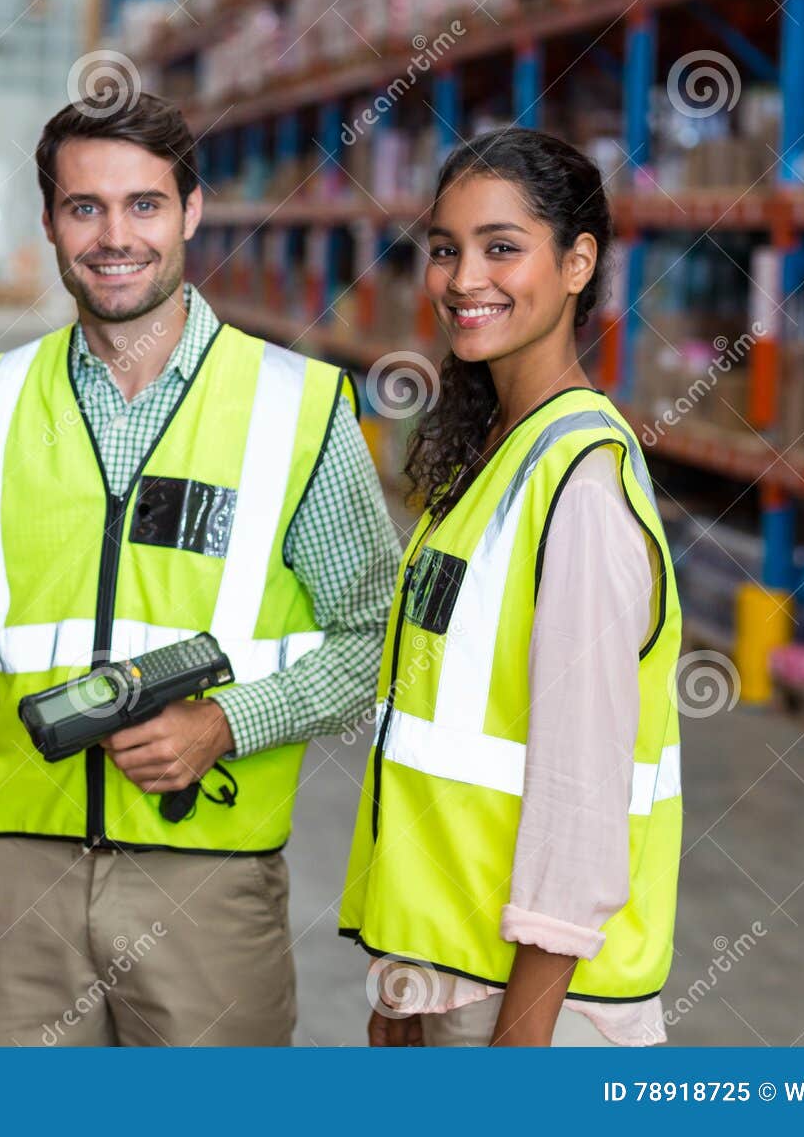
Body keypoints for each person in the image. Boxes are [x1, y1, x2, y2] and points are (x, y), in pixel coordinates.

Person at [0, 91, 399, 1046]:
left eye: (144, 205)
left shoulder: (296, 408)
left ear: (191, 211)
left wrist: (228, 721)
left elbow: (380, 640)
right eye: (86, 208)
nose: (116, 236)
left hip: (207, 874)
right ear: (49, 222)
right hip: (15, 880)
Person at [338, 127, 682, 1047]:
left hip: (537, 1009)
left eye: (501, 248)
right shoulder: (498, 454)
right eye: (446, 250)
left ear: (577, 264)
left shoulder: (581, 481)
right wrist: (405, 983)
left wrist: (518, 1049)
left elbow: (582, 793)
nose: (462, 278)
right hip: (454, 980)